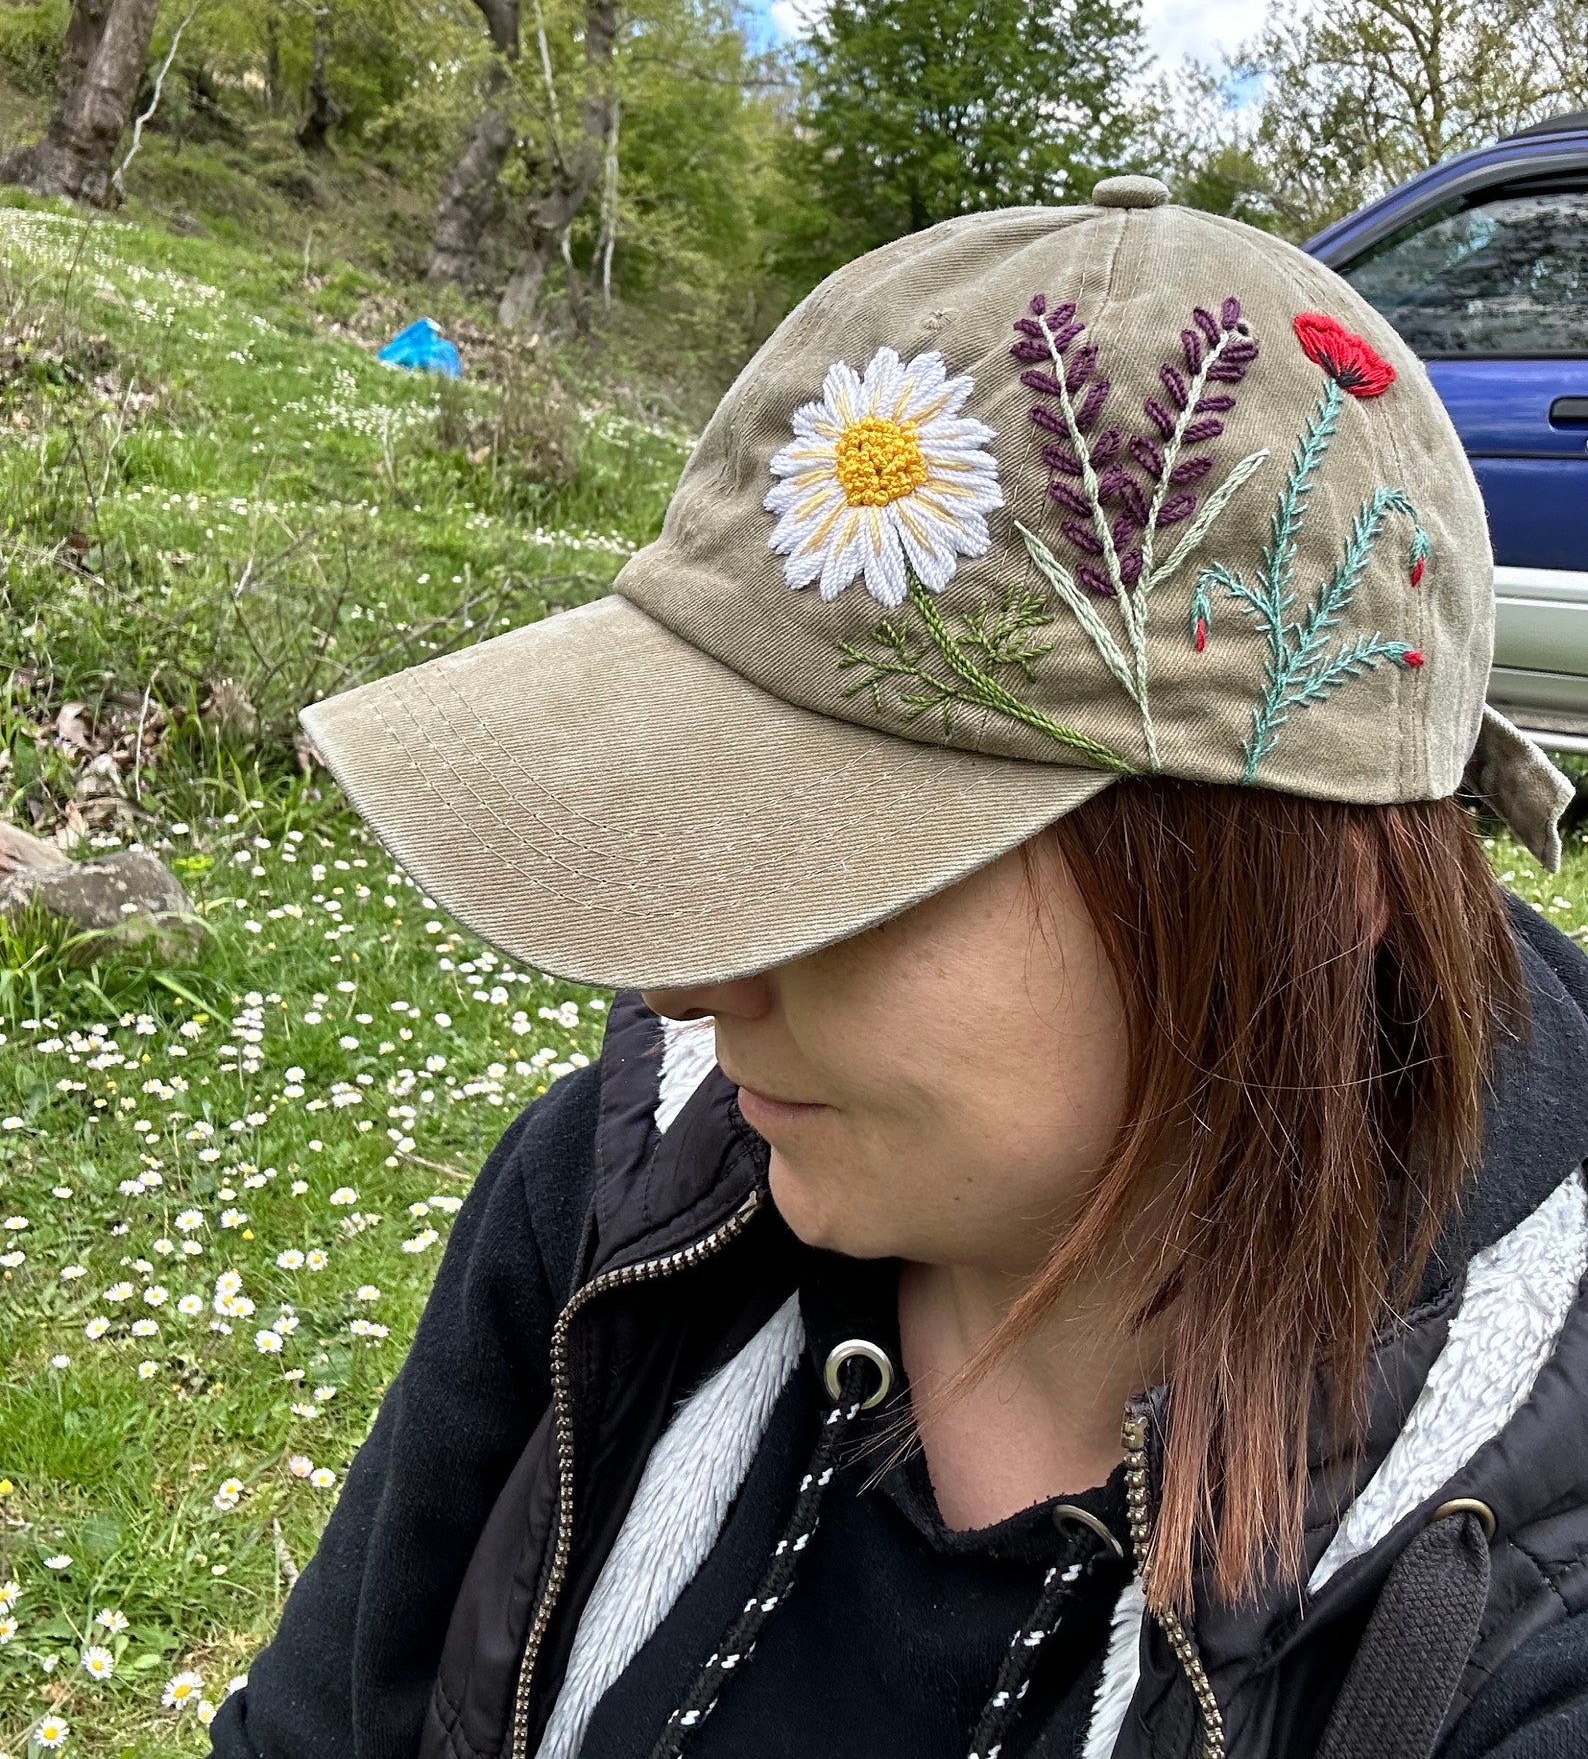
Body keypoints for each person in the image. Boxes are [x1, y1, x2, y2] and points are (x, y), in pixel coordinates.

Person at [210, 177, 1588, 1759]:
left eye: (855, 871)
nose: (690, 993)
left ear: (1315, 891)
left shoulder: (1518, 1617)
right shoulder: (619, 1203)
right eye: (717, 818)